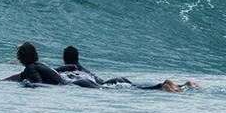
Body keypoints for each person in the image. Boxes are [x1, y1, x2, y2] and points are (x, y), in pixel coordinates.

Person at [57, 44, 200, 92]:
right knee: (139, 88)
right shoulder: (82, 68)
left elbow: (57, 72)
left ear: (65, 58)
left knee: (139, 90)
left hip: (111, 83)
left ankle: (164, 85)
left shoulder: (72, 67)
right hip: (115, 80)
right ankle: (182, 84)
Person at [5, 41, 96, 87]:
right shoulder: (38, 65)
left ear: (21, 57)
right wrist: (0, 81)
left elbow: (38, 83)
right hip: (81, 82)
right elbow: (18, 77)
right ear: (35, 54)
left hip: (77, 85)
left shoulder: (31, 68)